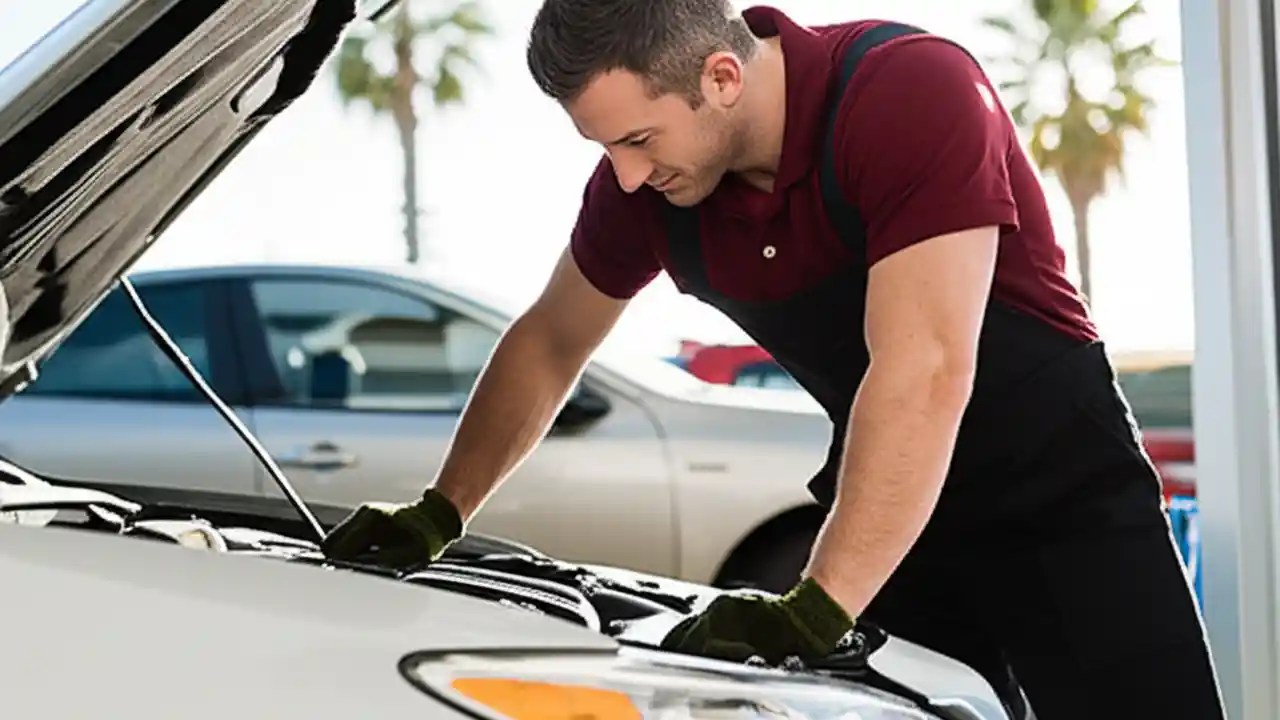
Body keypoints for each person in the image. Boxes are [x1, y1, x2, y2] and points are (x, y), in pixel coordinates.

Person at [322, 2, 1224, 717]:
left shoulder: (908, 91)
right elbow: (552, 340)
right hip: (889, 515)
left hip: (1062, 503)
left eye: (636, 140)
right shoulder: (645, 189)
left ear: (720, 76)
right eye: (605, 148)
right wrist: (440, 512)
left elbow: (925, 369)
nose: (626, 176)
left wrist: (818, 608)